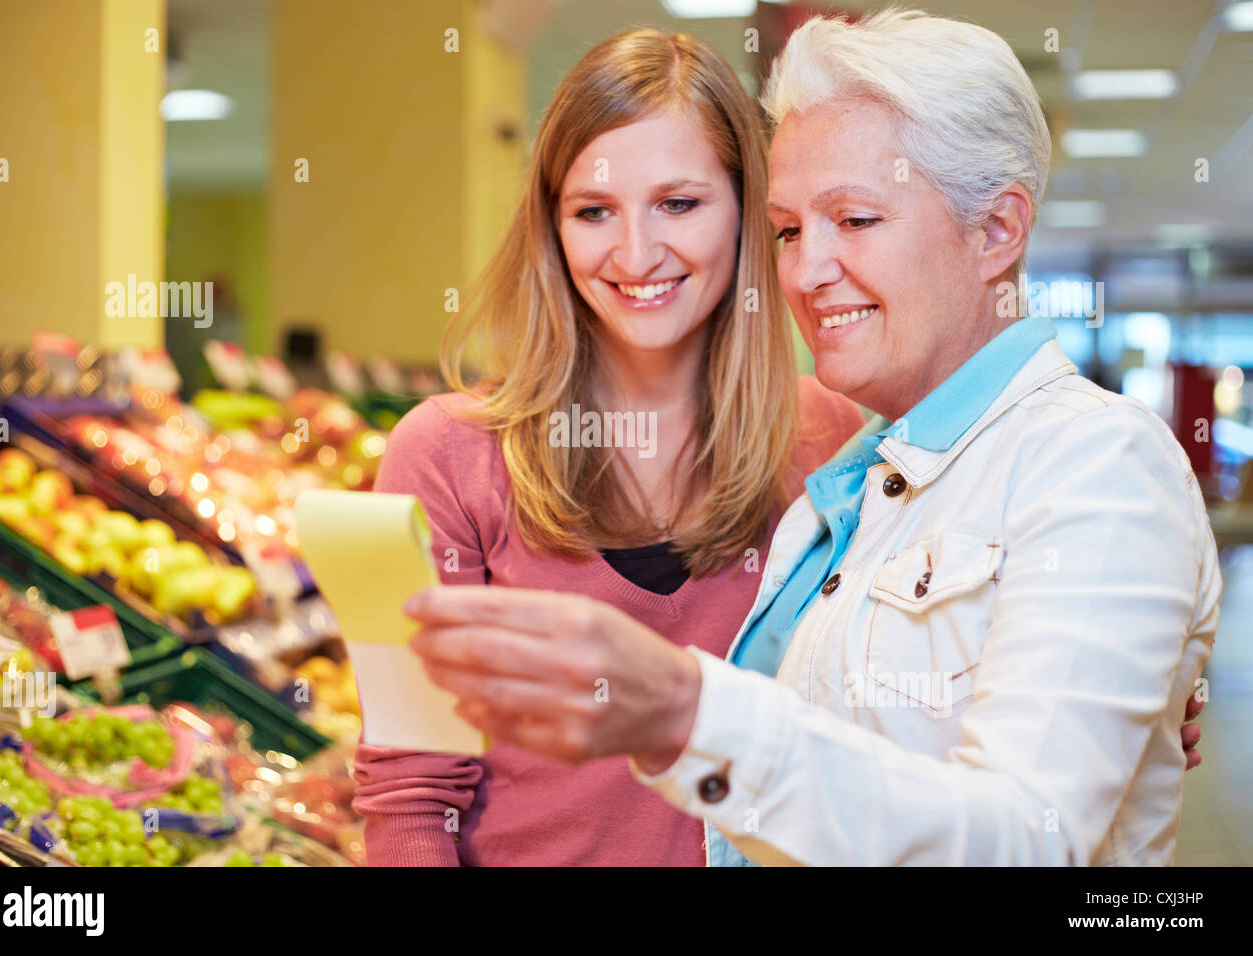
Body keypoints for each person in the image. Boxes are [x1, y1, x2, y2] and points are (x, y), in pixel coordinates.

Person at [405, 9, 1219, 866]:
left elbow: (1026, 837)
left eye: (856, 220)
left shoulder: (1092, 463)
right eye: (790, 230)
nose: (805, 270)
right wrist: (1109, 691)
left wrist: (683, 711)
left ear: (997, 231)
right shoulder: (861, 475)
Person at [351, 29, 865, 865]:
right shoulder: (438, 455)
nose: (635, 254)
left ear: (748, 209)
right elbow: (409, 795)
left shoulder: (831, 443)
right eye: (594, 211)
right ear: (552, 227)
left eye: (679, 203)